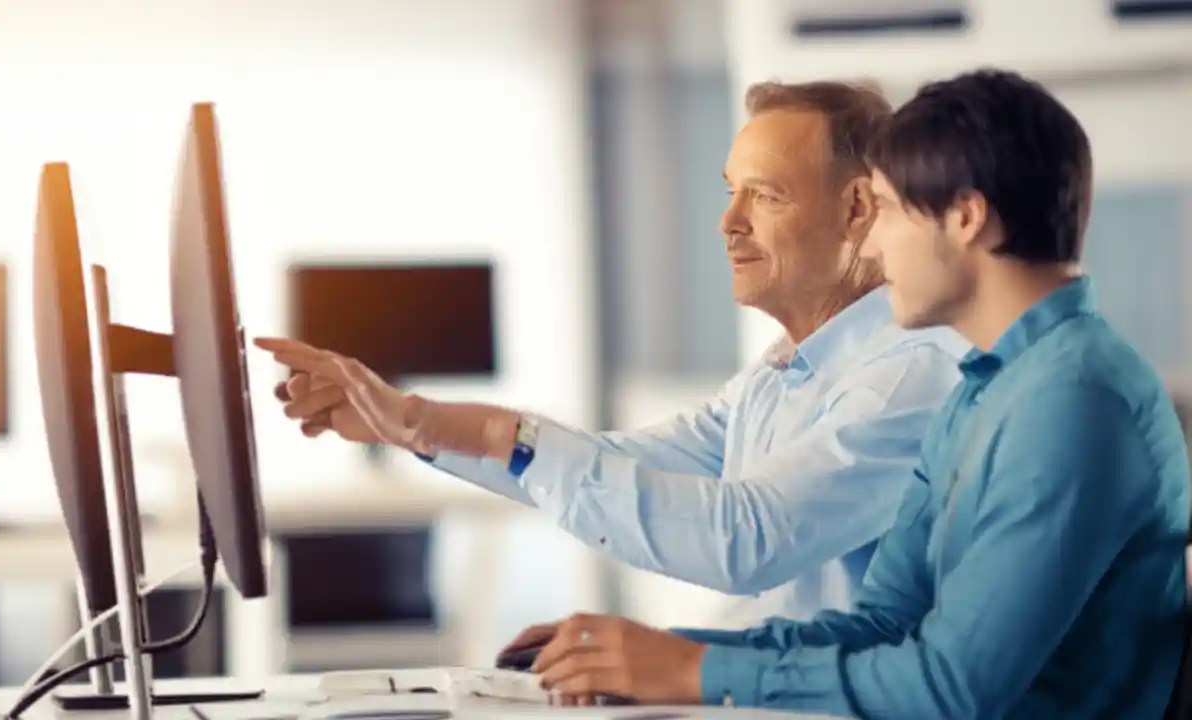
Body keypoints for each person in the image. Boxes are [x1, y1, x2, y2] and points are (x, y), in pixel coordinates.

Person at [480, 69, 1192, 717]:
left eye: (883, 210)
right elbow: (880, 623)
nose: (873, 246)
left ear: (966, 217)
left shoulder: (1075, 401)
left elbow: (950, 686)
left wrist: (694, 670)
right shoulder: (986, 387)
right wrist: (649, 653)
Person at [256, 80, 967, 625]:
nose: (727, 222)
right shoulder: (784, 373)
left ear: (856, 211)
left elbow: (751, 539)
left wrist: (504, 434)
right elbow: (622, 462)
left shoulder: (910, 372)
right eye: (729, 192)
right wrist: (415, 422)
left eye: (765, 196)